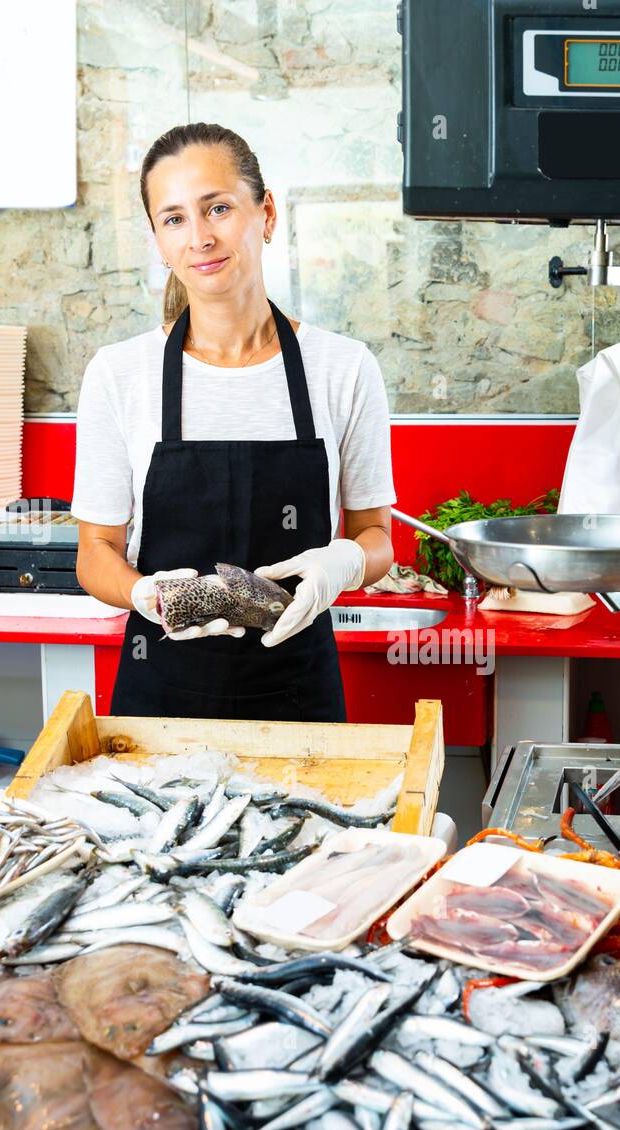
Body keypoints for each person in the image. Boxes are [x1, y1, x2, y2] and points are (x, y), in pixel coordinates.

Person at [72, 122, 395, 720]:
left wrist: (344, 561)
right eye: (174, 219)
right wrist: (145, 593)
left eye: (217, 208)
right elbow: (96, 551)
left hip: (300, 692)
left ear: (266, 213)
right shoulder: (120, 374)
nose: (199, 238)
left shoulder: (344, 367)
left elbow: (378, 536)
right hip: (158, 692)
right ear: (159, 240)